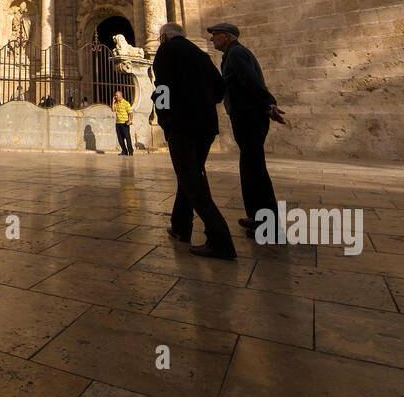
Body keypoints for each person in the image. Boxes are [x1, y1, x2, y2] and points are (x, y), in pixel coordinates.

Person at [152, 22, 236, 260]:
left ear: (165, 37)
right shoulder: (200, 54)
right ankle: (180, 226)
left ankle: (220, 239)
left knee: (191, 179)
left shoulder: (166, 51)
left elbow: (162, 88)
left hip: (181, 125)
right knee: (190, 173)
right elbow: (220, 89)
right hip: (206, 126)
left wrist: (164, 119)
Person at [207, 22, 286, 238]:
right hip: (247, 114)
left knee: (255, 170)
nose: (212, 39)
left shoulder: (236, 54)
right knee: (251, 168)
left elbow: (251, 82)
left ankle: (267, 224)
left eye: (215, 35)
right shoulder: (235, 53)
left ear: (226, 36)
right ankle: (257, 217)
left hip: (248, 116)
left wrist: (267, 105)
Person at [112, 89, 134, 155]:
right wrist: (113, 102)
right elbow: (113, 110)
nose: (116, 96)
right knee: (120, 139)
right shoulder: (116, 103)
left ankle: (130, 151)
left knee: (127, 138)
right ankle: (124, 151)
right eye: (115, 95)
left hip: (124, 123)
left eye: (117, 95)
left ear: (120, 95)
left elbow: (130, 113)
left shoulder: (126, 103)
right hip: (118, 123)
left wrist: (130, 120)